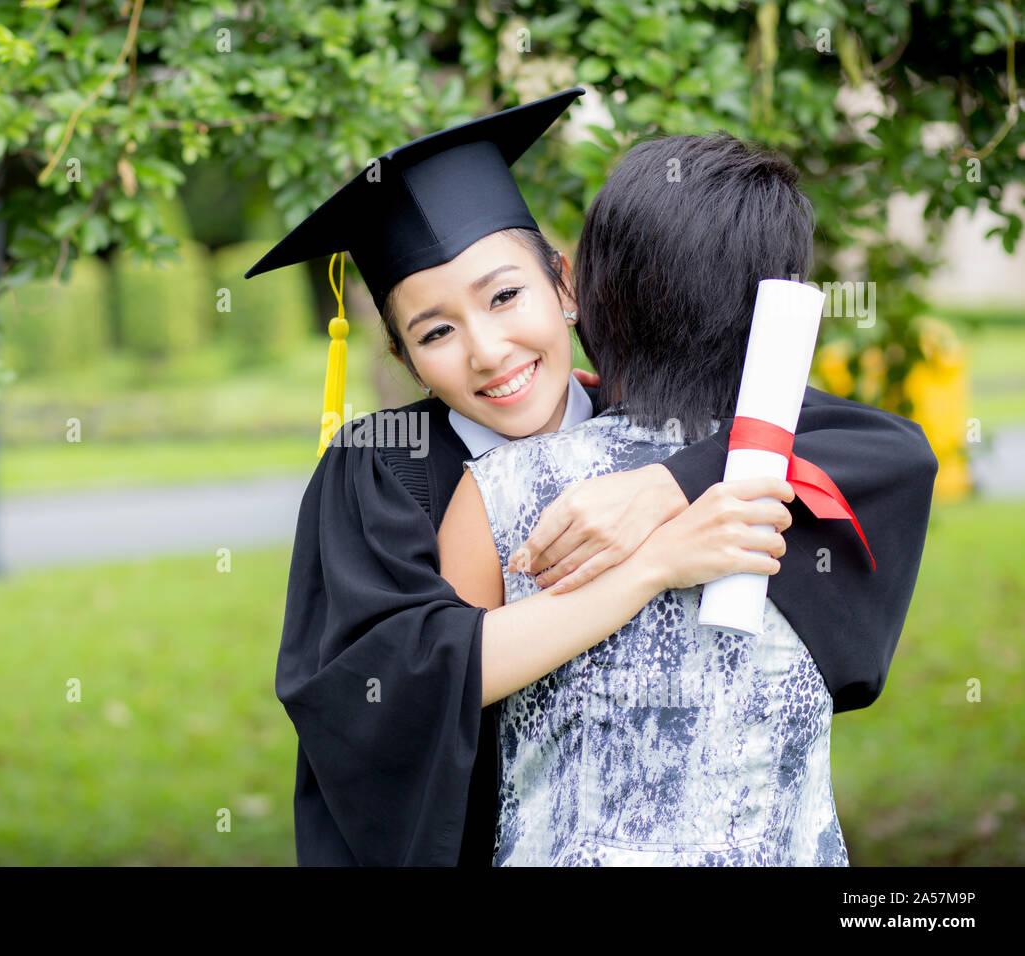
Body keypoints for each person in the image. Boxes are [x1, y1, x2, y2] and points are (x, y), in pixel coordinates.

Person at [245, 89, 938, 866]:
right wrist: (650, 565)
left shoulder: (664, 412)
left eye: (506, 296)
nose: (487, 350)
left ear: (566, 288)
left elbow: (871, 443)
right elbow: (391, 682)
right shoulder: (381, 465)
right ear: (404, 359)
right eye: (435, 332)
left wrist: (668, 486)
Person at [437, 132, 937, 865]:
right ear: (777, 318)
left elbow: (443, 723)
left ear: (587, 292)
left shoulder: (498, 491)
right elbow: (857, 675)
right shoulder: (817, 488)